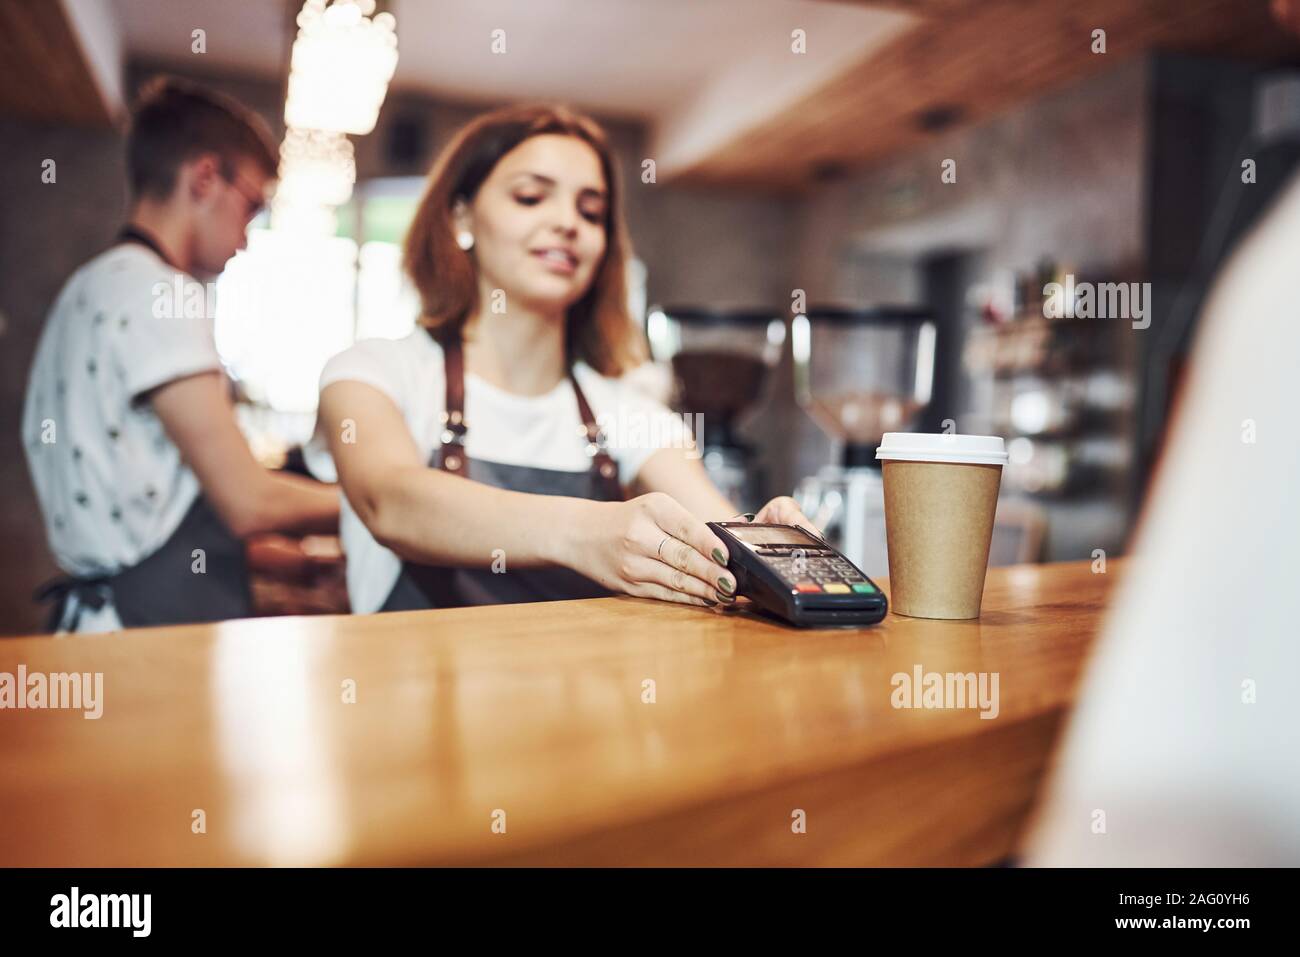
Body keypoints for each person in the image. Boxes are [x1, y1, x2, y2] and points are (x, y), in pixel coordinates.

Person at [315, 104, 816, 614]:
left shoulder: (629, 411)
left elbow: (711, 524)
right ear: (460, 216)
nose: (566, 223)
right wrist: (586, 532)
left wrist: (758, 547)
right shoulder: (373, 373)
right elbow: (392, 503)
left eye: (590, 211)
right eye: (531, 197)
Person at [21, 77, 339, 633]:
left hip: (97, 621)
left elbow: (144, 507)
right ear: (206, 177)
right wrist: (383, 497)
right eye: (253, 207)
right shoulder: (160, 292)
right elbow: (249, 500)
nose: (246, 238)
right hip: (139, 631)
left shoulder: (89, 285)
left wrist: (295, 562)